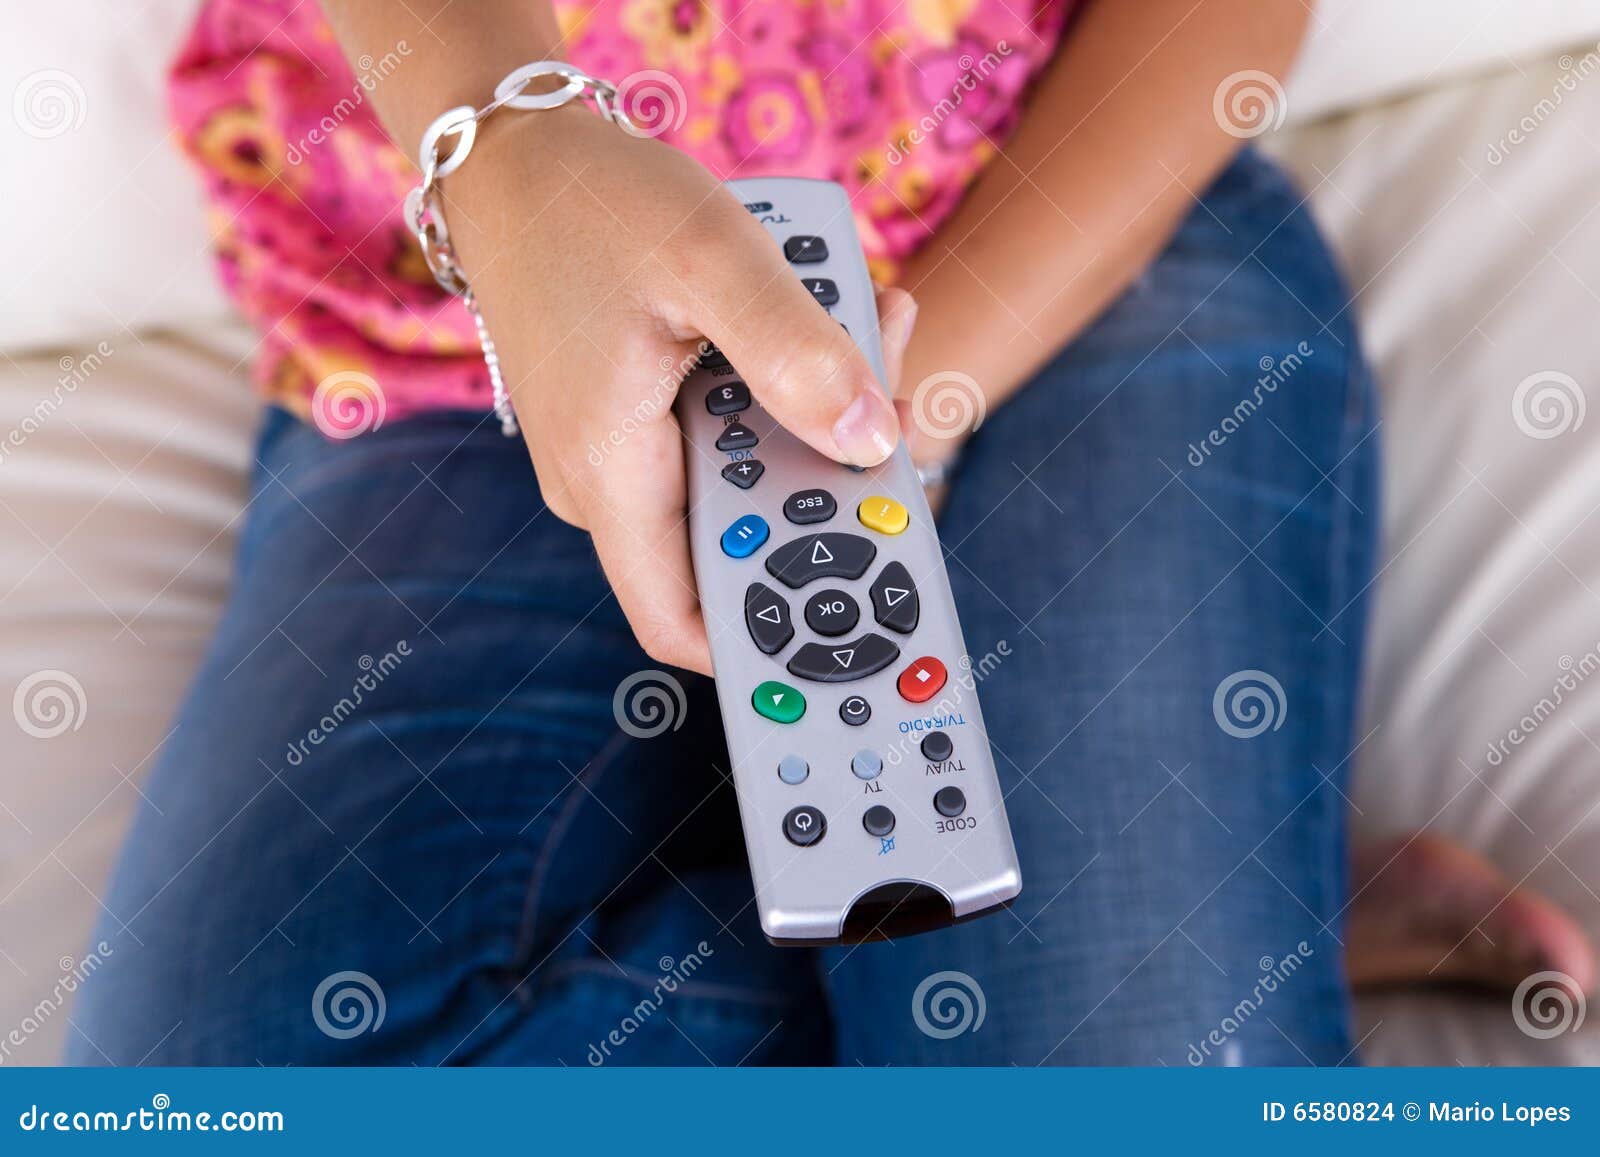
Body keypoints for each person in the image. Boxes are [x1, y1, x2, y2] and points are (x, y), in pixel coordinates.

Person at [69, 0, 1592, 1066]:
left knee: (1127, 1078)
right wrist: (506, 145)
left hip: (1054, 215)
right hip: (453, 331)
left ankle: (1143, 914)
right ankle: (1180, 901)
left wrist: (860, 426)